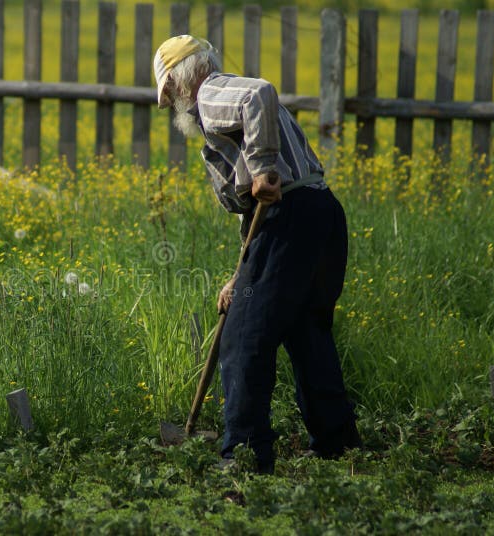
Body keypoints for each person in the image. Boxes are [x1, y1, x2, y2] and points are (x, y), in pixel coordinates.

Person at [154, 35, 361, 474]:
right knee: (307, 331)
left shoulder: (211, 93)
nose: (172, 105)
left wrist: (265, 166)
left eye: (169, 93)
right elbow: (254, 211)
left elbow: (258, 92)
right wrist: (239, 277)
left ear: (180, 80)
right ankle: (337, 443)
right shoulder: (228, 122)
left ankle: (244, 456)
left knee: (243, 338)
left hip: (292, 218)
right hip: (320, 213)